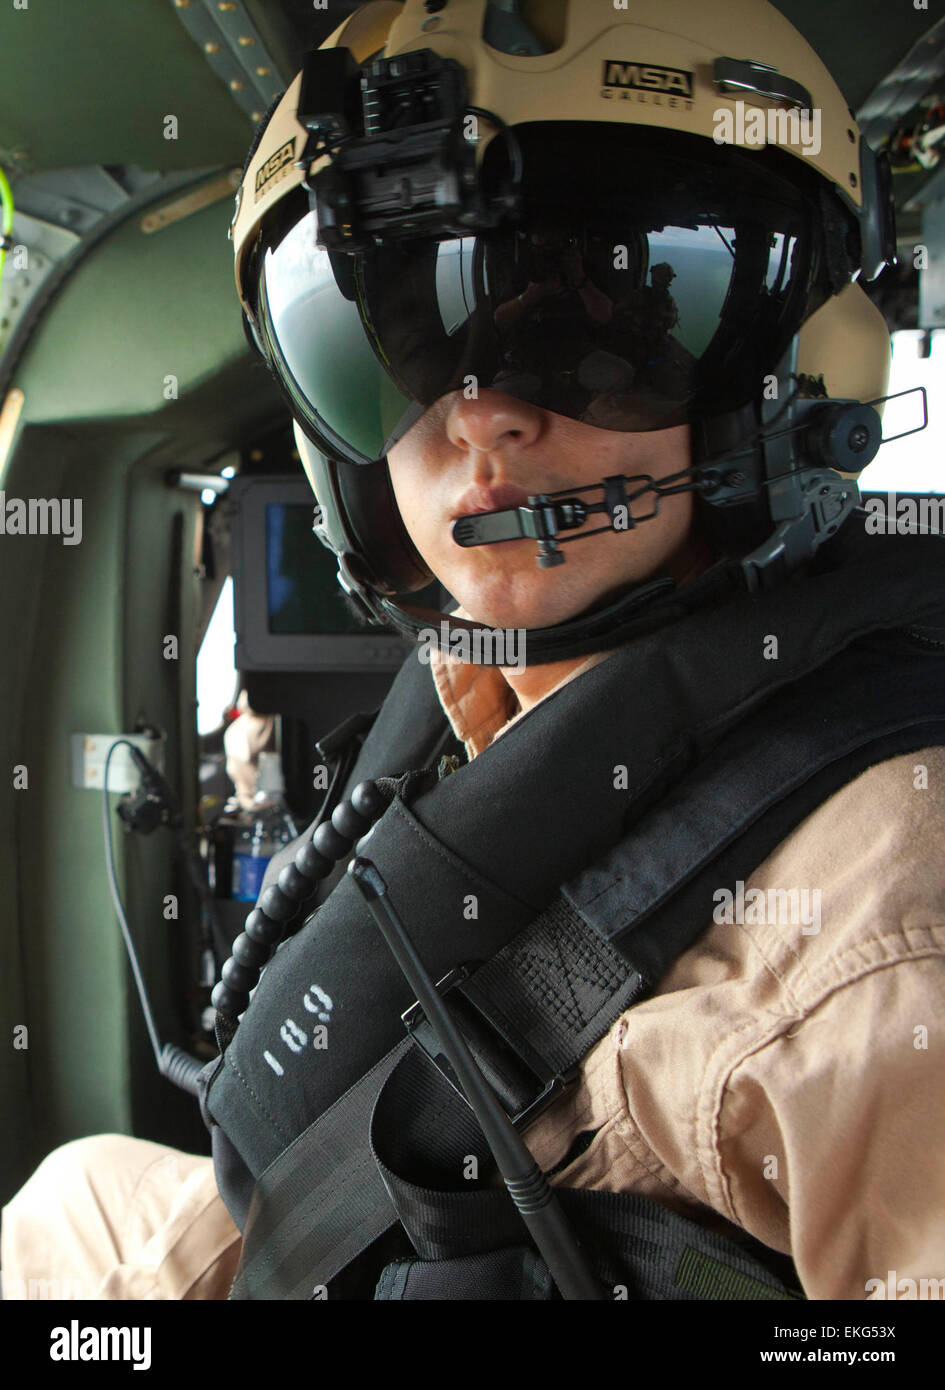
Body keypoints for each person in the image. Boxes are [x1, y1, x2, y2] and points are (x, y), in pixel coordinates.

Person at [3, 0, 945, 1303]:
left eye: (594, 331)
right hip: (343, 1229)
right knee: (70, 1193)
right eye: (386, 339)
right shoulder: (493, 687)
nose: (480, 414)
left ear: (796, 361)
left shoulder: (890, 939)